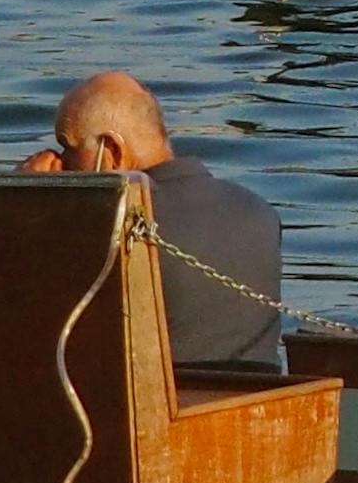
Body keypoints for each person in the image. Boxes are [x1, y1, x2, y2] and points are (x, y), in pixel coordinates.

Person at [23, 69, 286, 382]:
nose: (58, 161)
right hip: (260, 402)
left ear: (112, 151)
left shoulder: (106, 227)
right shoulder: (259, 210)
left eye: (67, 146)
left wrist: (28, 207)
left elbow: (22, 316)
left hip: (153, 410)